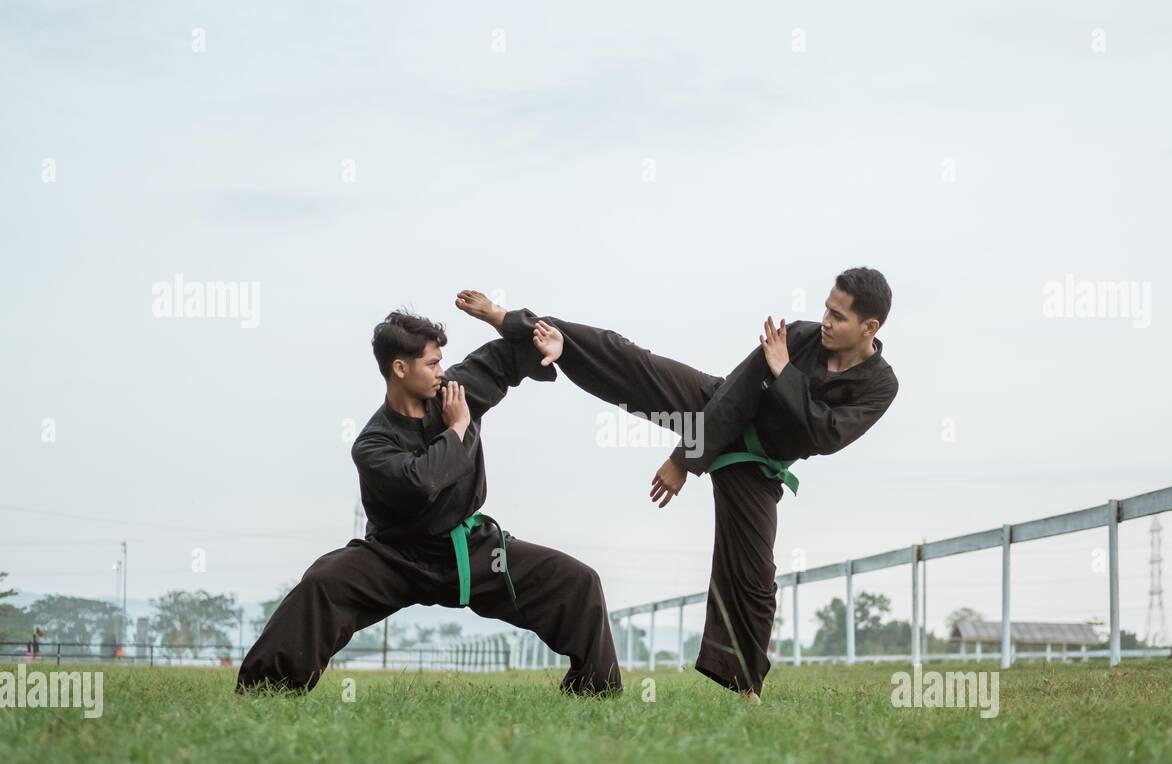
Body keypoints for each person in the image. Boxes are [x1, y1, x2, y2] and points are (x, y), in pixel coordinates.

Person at [455, 267, 898, 701]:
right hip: (718, 410)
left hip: (757, 465)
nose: (826, 320)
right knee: (634, 362)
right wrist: (684, 458)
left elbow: (824, 436)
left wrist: (785, 374)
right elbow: (740, 391)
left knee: (754, 576)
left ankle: (747, 689)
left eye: (838, 316)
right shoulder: (799, 336)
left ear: (869, 326)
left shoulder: (879, 384)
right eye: (827, 308)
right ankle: (542, 334)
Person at [236, 308, 622, 697]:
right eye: (432, 363)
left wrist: (499, 315)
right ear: (400, 368)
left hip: (472, 550)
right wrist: (457, 428)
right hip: (397, 557)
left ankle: (595, 691)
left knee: (578, 581)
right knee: (321, 583)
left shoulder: (457, 389)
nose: (442, 371)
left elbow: (510, 353)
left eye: (441, 362)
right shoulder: (372, 444)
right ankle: (266, 690)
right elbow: (422, 481)